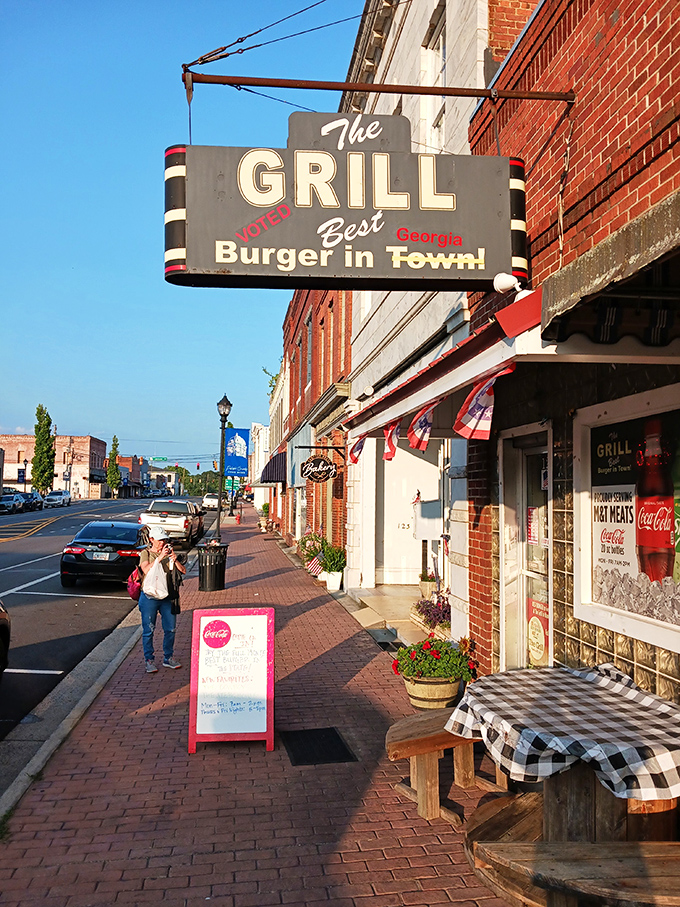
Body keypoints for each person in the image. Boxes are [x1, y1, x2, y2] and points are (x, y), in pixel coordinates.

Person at [138, 527, 187, 673]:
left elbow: (183, 571)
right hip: (149, 596)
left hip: (167, 596)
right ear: (151, 539)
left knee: (170, 629)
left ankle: (168, 657)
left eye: (164, 539)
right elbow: (146, 570)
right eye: (159, 539)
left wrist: (174, 559)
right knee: (149, 630)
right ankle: (149, 660)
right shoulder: (145, 553)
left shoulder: (169, 554)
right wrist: (159, 558)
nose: (162, 543)